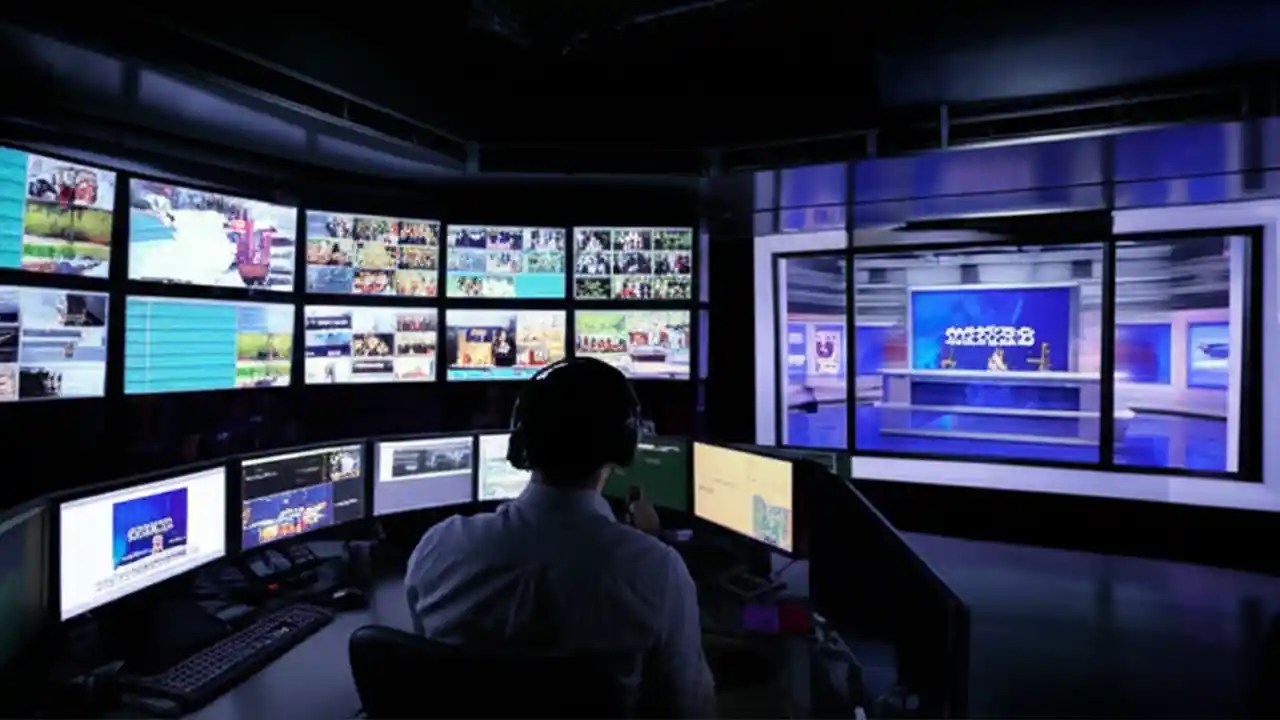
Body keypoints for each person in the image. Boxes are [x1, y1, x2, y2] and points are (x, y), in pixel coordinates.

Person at [404, 358, 715, 717]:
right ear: (624, 445)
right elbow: (689, 708)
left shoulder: (438, 546)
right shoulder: (657, 570)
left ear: (521, 438)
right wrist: (646, 546)